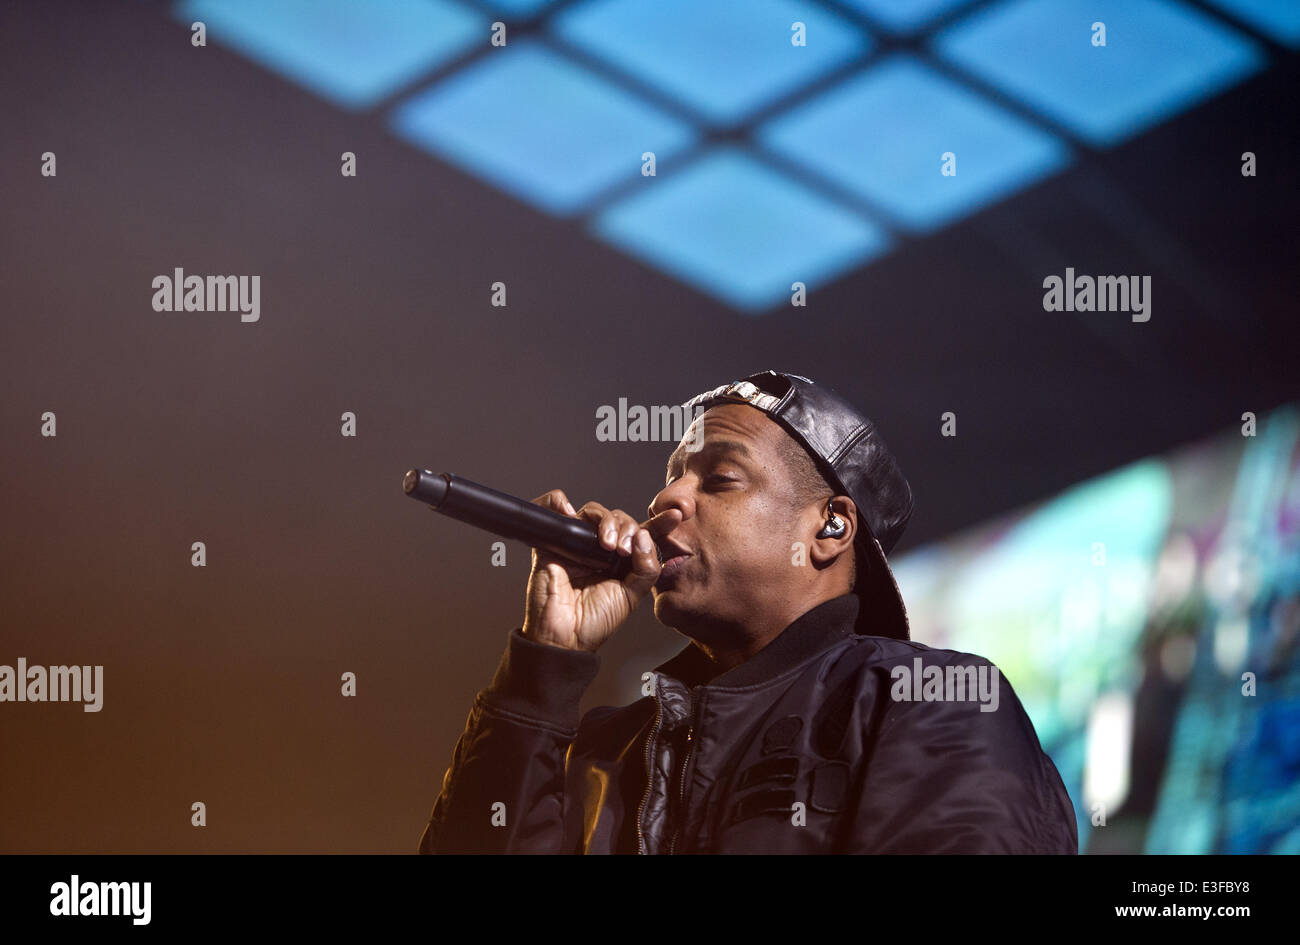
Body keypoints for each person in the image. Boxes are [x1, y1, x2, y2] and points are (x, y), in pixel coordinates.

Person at [418, 371, 1078, 854]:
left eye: (720, 478)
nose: (665, 496)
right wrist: (543, 666)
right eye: (673, 473)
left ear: (829, 527)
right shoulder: (602, 746)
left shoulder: (931, 703)